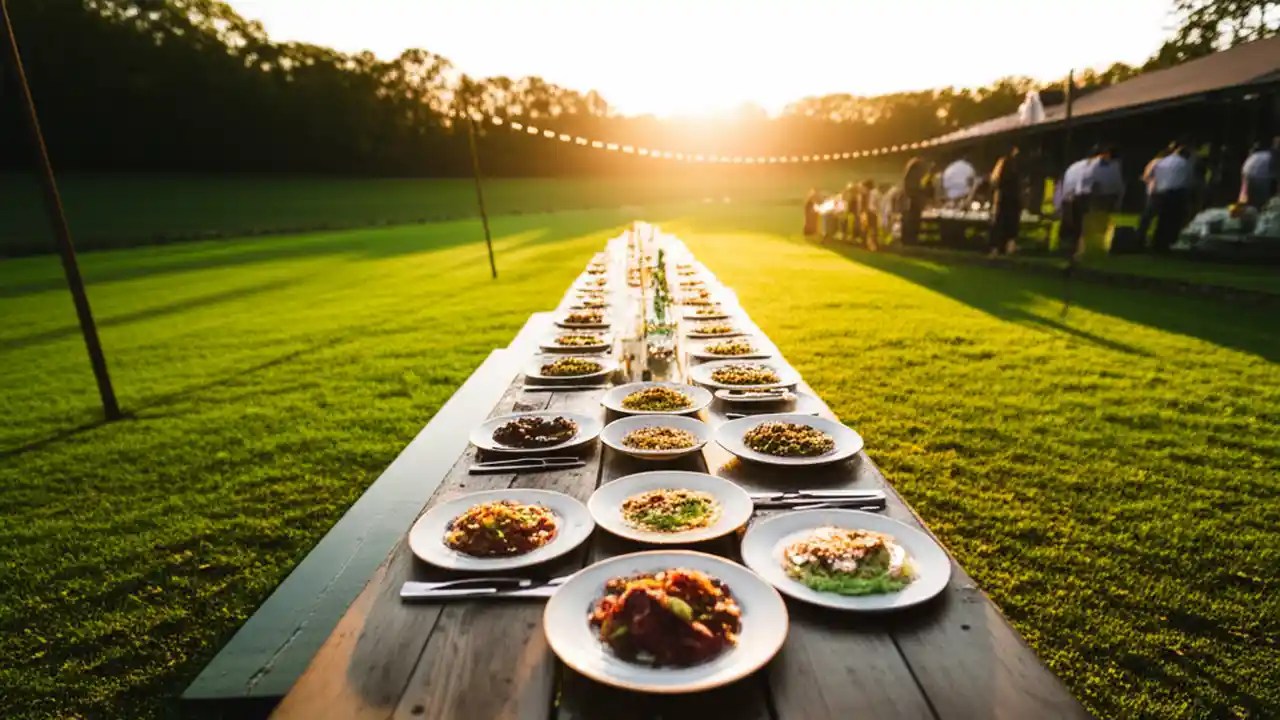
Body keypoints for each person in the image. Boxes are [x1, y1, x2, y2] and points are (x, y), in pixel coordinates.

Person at [1151, 142, 1194, 252]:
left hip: (1160, 192)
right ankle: (1169, 242)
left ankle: (1156, 242)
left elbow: (1155, 174)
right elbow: (1188, 179)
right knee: (1174, 220)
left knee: (1162, 219)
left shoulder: (1163, 161)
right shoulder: (1185, 163)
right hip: (1176, 193)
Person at [1057, 149, 1093, 256]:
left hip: (1070, 200)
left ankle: (1071, 249)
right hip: (1074, 200)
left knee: (1074, 225)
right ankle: (1075, 250)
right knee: (1077, 225)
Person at [989, 146, 1023, 256]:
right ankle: (1010, 248)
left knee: (999, 222)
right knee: (1012, 225)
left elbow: (994, 181)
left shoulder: (1002, 163)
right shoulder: (1018, 165)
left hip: (1002, 197)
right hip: (1014, 199)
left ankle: (995, 249)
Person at [1137, 144, 1173, 246]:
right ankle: (1144, 237)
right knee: (1151, 215)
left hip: (1156, 190)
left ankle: (1144, 236)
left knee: (1150, 215)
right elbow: (1146, 176)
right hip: (1156, 191)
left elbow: (1145, 176)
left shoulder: (1156, 162)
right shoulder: (1157, 162)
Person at [1082, 145, 1125, 211]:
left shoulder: (1114, 164)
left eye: (1108, 154)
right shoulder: (1092, 164)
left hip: (1107, 190)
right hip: (1097, 190)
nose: (1107, 156)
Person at [901, 156, 929, 245]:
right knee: (913, 222)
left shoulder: (908, 176)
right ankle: (911, 240)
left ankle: (908, 240)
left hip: (910, 204)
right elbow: (914, 190)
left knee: (910, 222)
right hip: (913, 203)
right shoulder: (914, 177)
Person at [1241, 141, 1275, 208]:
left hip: (1247, 172)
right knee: (1261, 200)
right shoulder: (1272, 156)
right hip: (1259, 176)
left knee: (1249, 198)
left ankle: (1249, 209)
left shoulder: (1260, 154)